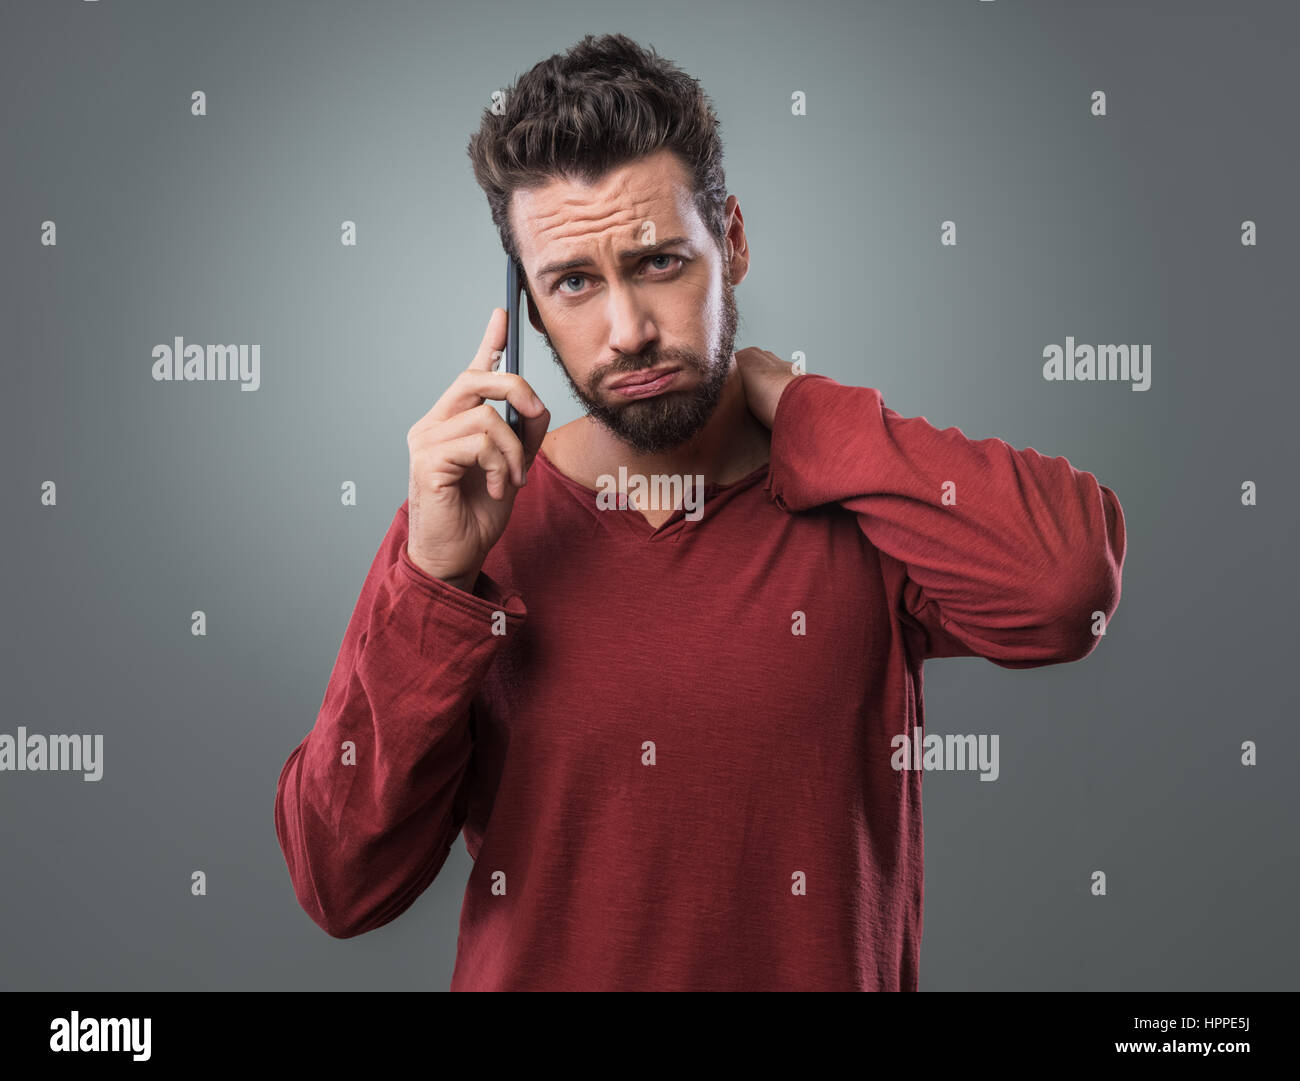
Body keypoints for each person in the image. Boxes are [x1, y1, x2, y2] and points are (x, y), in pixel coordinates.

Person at [273, 33, 1126, 991]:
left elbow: (1065, 591)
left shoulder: (859, 502)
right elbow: (340, 884)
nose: (628, 330)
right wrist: (432, 581)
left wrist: (803, 407)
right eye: (574, 283)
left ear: (733, 242)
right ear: (527, 304)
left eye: (661, 263)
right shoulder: (465, 534)